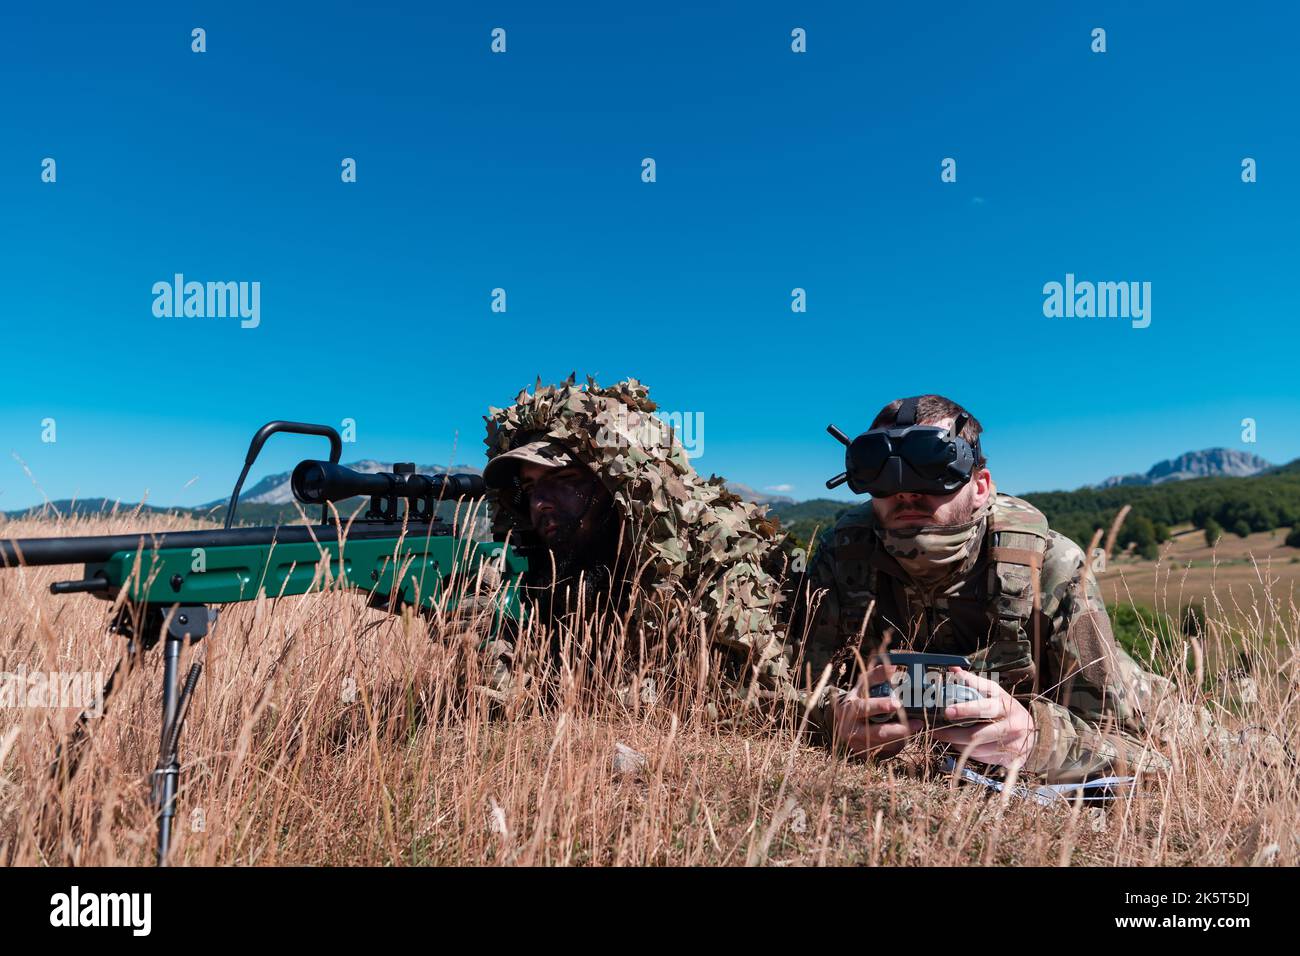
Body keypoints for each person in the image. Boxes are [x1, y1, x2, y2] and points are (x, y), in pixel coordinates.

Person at [790, 394, 1176, 783]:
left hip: (1151, 708)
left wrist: (1033, 738)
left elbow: (1138, 749)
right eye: (881, 471)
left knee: (1220, 744)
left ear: (980, 486)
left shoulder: (1047, 564)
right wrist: (835, 716)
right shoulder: (843, 556)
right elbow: (787, 688)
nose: (906, 492)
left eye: (931, 465)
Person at [478, 376, 804, 716]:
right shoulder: (556, 568)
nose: (541, 501)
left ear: (618, 486)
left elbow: (765, 694)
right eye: (530, 487)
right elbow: (523, 682)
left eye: (563, 479)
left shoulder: (709, 556)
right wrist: (481, 635)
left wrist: (607, 697)